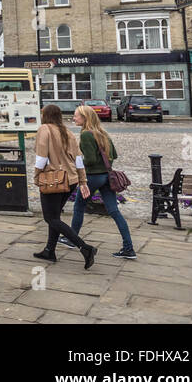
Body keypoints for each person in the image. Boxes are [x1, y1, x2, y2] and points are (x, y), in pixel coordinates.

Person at [68, 104, 136, 258]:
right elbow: (114, 155)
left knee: (79, 206)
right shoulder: (103, 133)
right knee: (114, 211)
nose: (74, 118)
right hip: (107, 177)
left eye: (76, 115)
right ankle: (128, 248)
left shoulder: (86, 134)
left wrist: (76, 163)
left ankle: (72, 239)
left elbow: (90, 160)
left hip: (92, 177)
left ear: (85, 118)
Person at [33, 103, 96, 268]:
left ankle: (85, 247)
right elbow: (78, 160)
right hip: (71, 181)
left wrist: (36, 175)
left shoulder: (44, 129)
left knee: (50, 218)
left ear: (46, 115)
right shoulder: (67, 132)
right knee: (55, 217)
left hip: (54, 179)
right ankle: (49, 250)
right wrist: (82, 181)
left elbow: (41, 158)